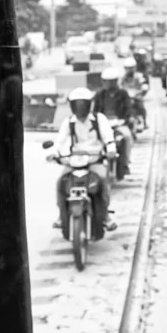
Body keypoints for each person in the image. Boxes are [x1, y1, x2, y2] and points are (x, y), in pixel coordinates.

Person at [50, 87, 118, 232]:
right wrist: (54, 153)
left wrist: (111, 150)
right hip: (75, 160)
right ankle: (62, 216)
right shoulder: (68, 122)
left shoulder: (99, 119)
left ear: (89, 104)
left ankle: (105, 216)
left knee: (102, 181)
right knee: (61, 182)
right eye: (77, 104)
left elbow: (108, 137)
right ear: (72, 106)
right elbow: (59, 141)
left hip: (95, 159)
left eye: (83, 104)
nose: (80, 108)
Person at [94, 66, 134, 177]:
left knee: (127, 137)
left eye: (110, 82)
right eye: (105, 81)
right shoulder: (99, 95)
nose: (107, 84)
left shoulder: (123, 94)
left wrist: (125, 119)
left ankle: (125, 163)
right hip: (103, 124)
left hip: (119, 123)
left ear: (115, 82)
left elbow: (128, 108)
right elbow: (95, 111)